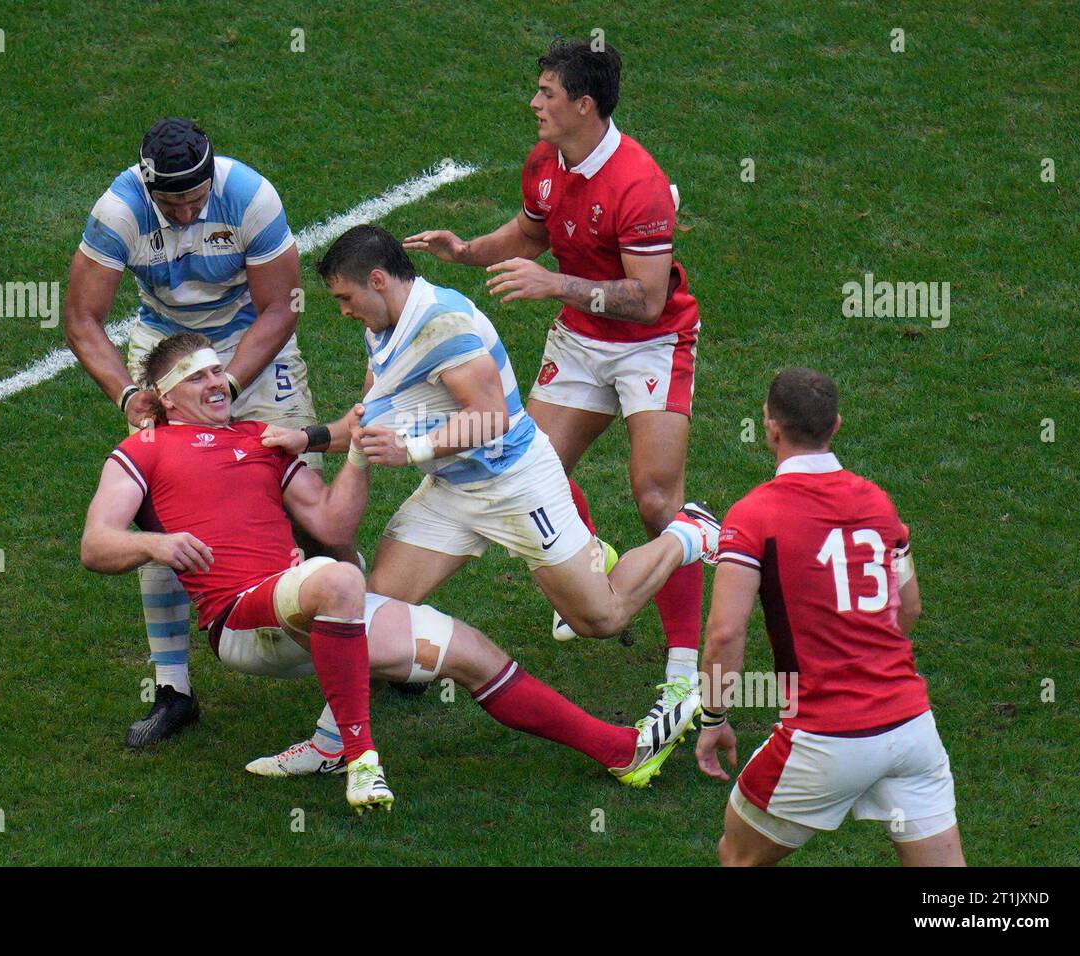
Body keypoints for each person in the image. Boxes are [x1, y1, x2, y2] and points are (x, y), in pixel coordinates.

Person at [79, 334, 706, 811]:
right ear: (162, 396)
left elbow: (332, 526)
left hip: (309, 611)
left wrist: (356, 453)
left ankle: (624, 752)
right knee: (341, 579)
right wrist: (157, 546)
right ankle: (358, 758)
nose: (219, 381)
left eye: (220, 369)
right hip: (245, 624)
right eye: (199, 376)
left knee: (473, 654)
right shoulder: (142, 449)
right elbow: (96, 544)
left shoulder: (262, 440)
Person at [245, 225, 716, 776]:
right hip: (452, 490)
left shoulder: (442, 325)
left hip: (515, 486)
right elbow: (374, 416)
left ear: (377, 281)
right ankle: (332, 742)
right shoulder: (384, 326)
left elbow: (491, 417)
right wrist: (310, 438)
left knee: (600, 617)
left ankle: (690, 533)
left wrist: (413, 448)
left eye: (346, 298)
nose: (344, 311)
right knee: (370, 608)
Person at [403, 39, 704, 708]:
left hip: (650, 344)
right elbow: (530, 232)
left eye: (547, 93)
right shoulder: (547, 160)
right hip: (581, 339)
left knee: (656, 500)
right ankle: (589, 562)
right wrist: (468, 251)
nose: (535, 103)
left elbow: (647, 298)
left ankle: (686, 662)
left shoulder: (639, 184)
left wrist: (553, 286)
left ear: (584, 104)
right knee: (528, 467)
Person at [63, 117, 321, 748]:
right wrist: (129, 393)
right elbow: (81, 318)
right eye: (171, 202)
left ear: (212, 177)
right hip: (167, 349)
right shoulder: (119, 210)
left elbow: (281, 308)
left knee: (309, 504)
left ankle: (370, 633)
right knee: (162, 517)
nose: (184, 210)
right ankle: (173, 688)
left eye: (195, 198)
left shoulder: (251, 196)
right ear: (149, 189)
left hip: (247, 343)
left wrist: (226, 385)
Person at [694, 368, 964, 866]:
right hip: (911, 728)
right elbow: (909, 607)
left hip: (824, 737)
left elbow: (725, 633)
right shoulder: (879, 504)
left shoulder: (754, 515)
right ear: (835, 425)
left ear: (771, 427)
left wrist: (714, 716)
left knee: (737, 857)